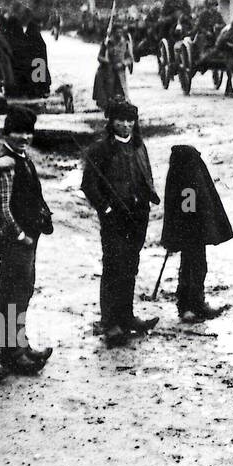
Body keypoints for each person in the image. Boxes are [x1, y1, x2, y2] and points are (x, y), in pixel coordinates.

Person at [82, 100, 161, 348]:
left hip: (137, 216)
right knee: (114, 266)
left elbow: (146, 175)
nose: (125, 125)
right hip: (114, 218)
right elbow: (89, 185)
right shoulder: (100, 149)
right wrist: (106, 209)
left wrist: (147, 201)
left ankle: (126, 316)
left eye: (130, 120)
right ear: (110, 121)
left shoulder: (139, 145)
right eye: (120, 120)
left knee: (131, 264)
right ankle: (111, 323)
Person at [0, 106, 54, 376]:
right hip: (16, 241)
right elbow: (3, 209)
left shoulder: (23, 158)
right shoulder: (6, 163)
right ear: (7, 132)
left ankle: (20, 344)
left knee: (23, 292)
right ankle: (11, 352)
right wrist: (21, 235)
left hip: (29, 240)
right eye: (18, 132)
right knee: (11, 296)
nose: (24, 137)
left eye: (28, 132)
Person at [161, 145, 232, 323]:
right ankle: (189, 306)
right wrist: (193, 229)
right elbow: (189, 207)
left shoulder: (180, 172)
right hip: (191, 234)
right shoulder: (187, 177)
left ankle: (195, 303)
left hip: (192, 234)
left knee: (195, 267)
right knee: (193, 268)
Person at [92, 26, 129, 111]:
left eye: (121, 32)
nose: (119, 34)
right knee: (106, 94)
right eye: (117, 32)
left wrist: (123, 64)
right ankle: (105, 104)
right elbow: (99, 57)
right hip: (107, 71)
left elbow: (130, 58)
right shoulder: (107, 43)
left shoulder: (125, 43)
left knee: (121, 98)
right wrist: (106, 61)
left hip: (119, 72)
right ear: (113, 33)